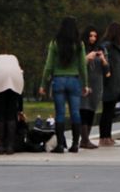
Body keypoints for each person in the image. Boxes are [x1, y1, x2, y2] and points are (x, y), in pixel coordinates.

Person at [37, 17, 90, 154]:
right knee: (75, 112)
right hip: (74, 80)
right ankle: (75, 144)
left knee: (60, 113)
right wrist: (85, 84)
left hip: (58, 80)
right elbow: (82, 66)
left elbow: (48, 66)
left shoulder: (54, 43)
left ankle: (60, 145)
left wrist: (43, 84)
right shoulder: (79, 44)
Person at [0, 53, 25, 155]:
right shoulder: (15, 60)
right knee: (11, 114)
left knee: (0, 114)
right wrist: (20, 109)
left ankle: (0, 146)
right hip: (16, 78)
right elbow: (21, 91)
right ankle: (10, 147)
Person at [77, 25, 107, 150]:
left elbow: (107, 70)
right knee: (83, 109)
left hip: (97, 84)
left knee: (91, 110)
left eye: (95, 36)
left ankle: (86, 138)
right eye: (90, 36)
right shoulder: (80, 48)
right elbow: (76, 65)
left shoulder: (101, 48)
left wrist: (103, 59)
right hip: (84, 82)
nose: (93, 38)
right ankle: (84, 139)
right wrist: (86, 58)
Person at [98, 22, 120, 147]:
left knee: (109, 111)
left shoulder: (110, 47)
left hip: (113, 84)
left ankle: (107, 136)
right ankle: (104, 137)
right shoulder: (109, 48)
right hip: (111, 83)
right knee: (107, 111)